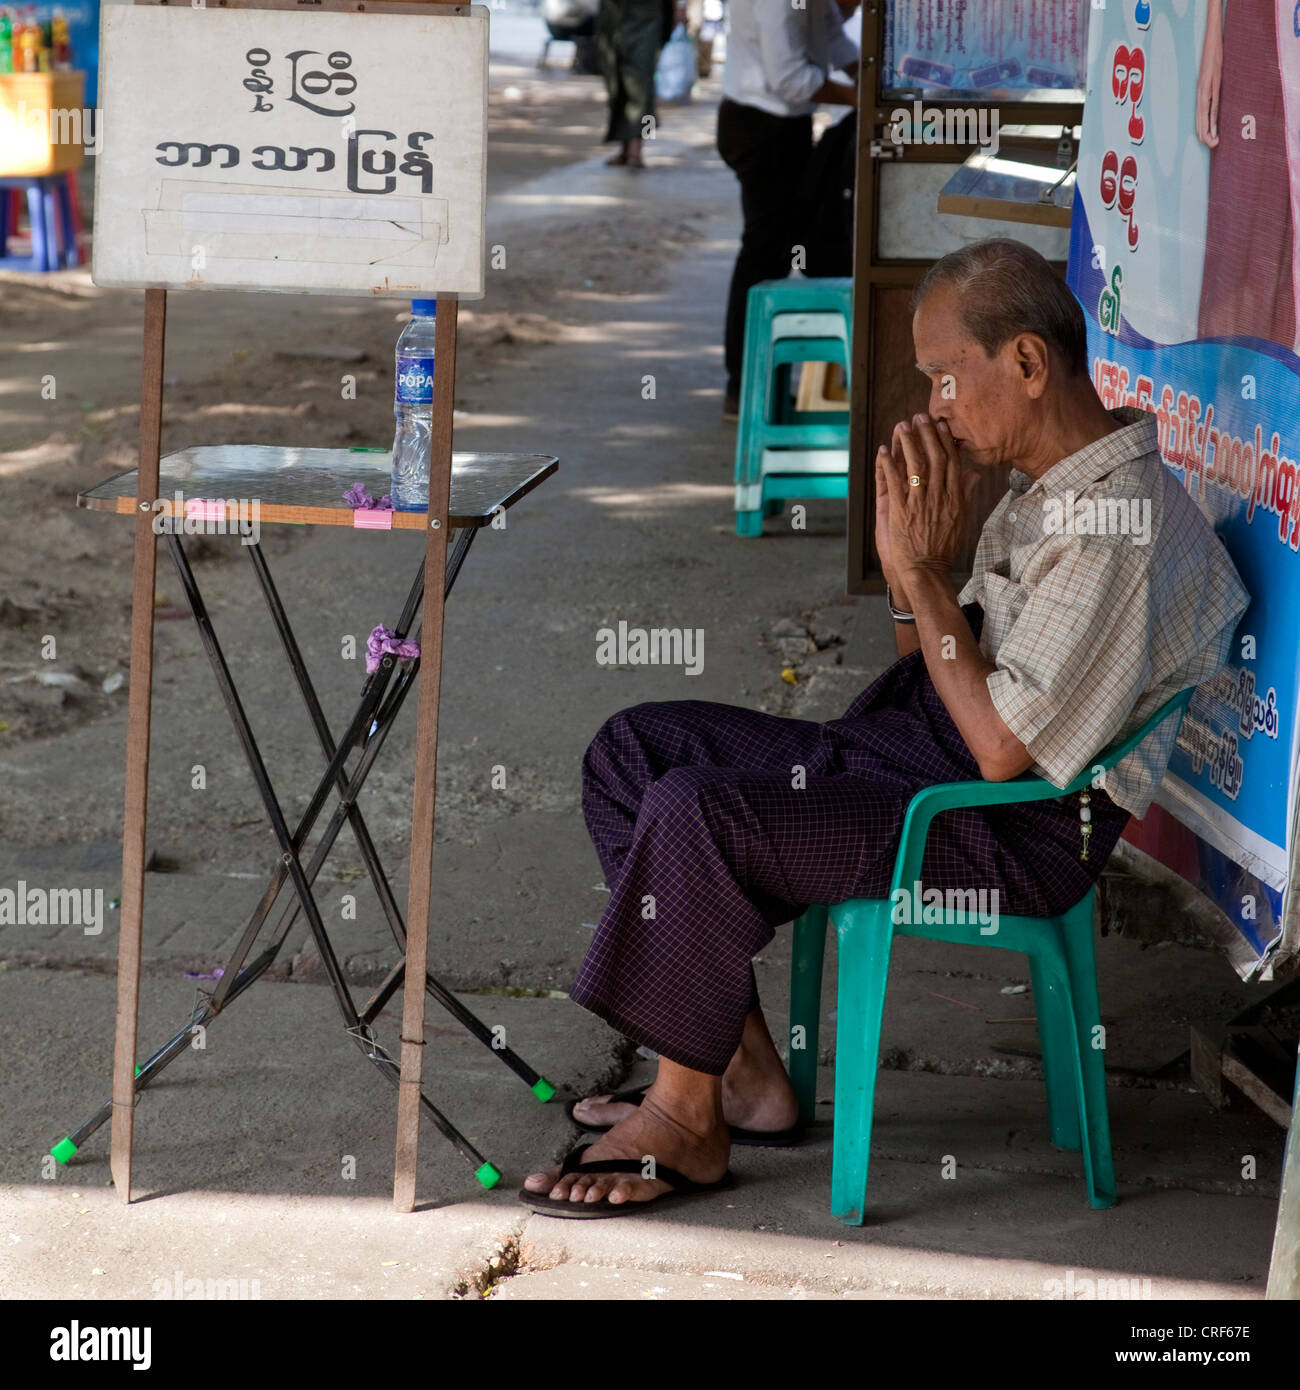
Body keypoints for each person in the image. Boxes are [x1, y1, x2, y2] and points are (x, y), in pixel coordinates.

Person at [519, 239, 1250, 1217]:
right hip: (922, 761)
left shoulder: (1115, 525)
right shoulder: (1056, 491)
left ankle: (685, 1118)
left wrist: (919, 576)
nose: (937, 404)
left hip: (1004, 828)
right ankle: (736, 1074)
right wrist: (912, 575)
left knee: (699, 808)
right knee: (634, 751)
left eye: (948, 376)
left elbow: (998, 749)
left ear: (1027, 364)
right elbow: (934, 682)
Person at [717, 0, 860, 417]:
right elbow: (789, 78)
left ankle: (758, 383)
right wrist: (859, 96)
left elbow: (834, 37)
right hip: (758, 126)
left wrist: (872, 79)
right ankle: (742, 386)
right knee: (763, 255)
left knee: (780, 250)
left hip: (788, 127)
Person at [597, 0, 682, 168]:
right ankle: (624, 147)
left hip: (646, 22)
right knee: (617, 86)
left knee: (643, 91)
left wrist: (680, 7)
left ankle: (639, 148)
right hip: (613, 20)